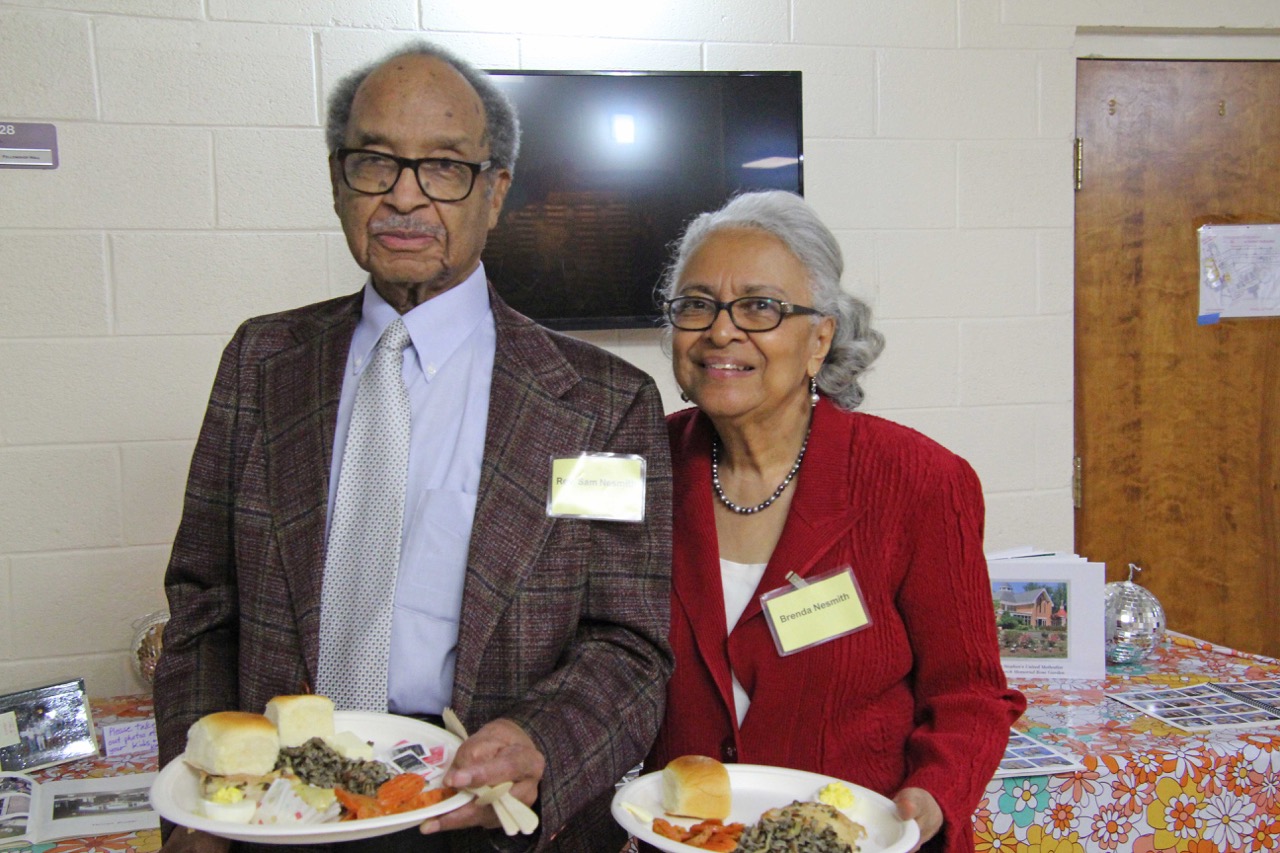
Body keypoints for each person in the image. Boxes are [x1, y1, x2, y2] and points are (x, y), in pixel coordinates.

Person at [152, 40, 672, 853]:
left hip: (484, 811)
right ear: (336, 181)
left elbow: (629, 641)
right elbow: (204, 605)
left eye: (444, 167)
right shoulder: (261, 362)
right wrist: (194, 804)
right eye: (375, 162)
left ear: (494, 193)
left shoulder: (600, 403)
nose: (405, 195)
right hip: (279, 811)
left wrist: (542, 740)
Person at [645, 191, 1025, 853]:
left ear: (820, 337)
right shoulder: (641, 470)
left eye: (760, 306)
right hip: (687, 839)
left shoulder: (920, 481)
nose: (721, 331)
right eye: (697, 304)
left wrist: (932, 795)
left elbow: (970, 694)